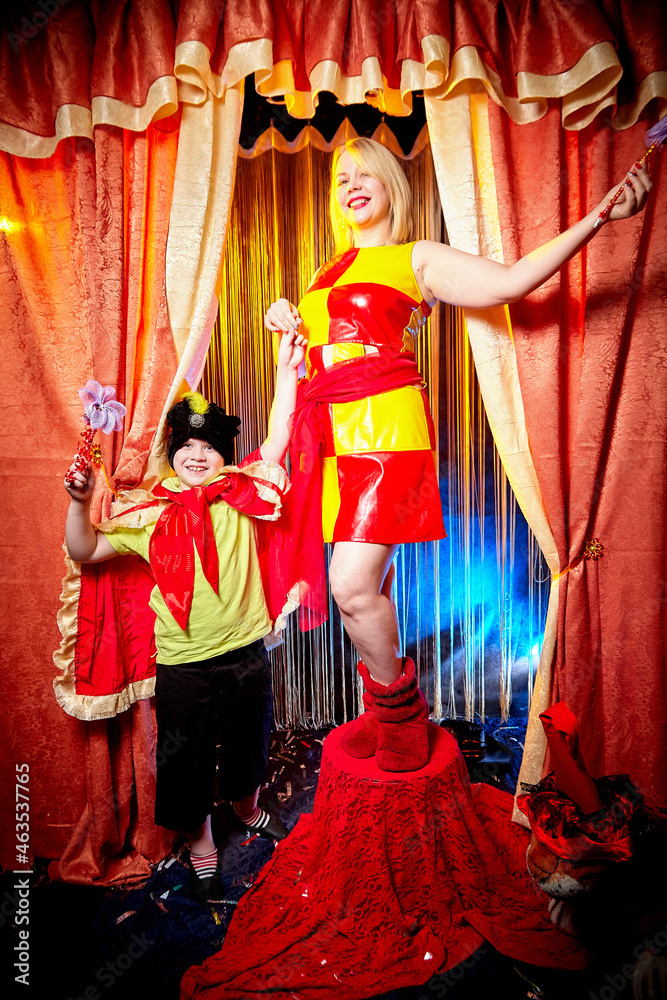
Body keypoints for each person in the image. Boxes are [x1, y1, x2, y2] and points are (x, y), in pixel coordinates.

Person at [264, 136, 652, 773]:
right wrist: (287, 355)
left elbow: (511, 282)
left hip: (387, 439)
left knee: (351, 586)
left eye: (366, 175)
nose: (352, 186)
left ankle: (400, 721)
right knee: (374, 587)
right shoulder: (323, 273)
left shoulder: (416, 257)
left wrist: (599, 215)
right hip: (333, 443)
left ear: (393, 182)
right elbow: (305, 368)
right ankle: (381, 712)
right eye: (341, 179)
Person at [63, 329, 306, 904]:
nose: (198, 455)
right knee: (186, 756)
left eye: (210, 447)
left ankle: (246, 807)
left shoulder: (245, 491)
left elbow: (279, 434)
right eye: (187, 448)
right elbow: (85, 551)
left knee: (251, 737)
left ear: (223, 454)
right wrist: (78, 504)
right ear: (173, 455)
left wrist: (285, 368)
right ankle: (200, 839)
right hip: (183, 663)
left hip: (246, 648)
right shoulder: (150, 513)